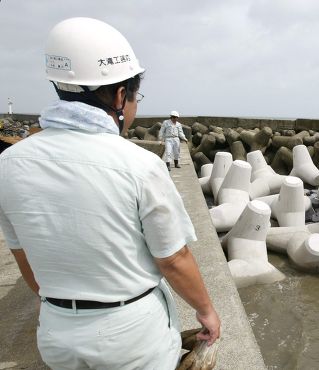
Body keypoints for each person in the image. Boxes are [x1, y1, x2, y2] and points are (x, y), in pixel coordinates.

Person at [0, 17, 220, 370]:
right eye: (135, 96)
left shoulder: (8, 163)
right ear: (121, 96)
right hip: (130, 337)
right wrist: (207, 311)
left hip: (56, 333)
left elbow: (24, 256)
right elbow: (173, 258)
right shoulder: (139, 165)